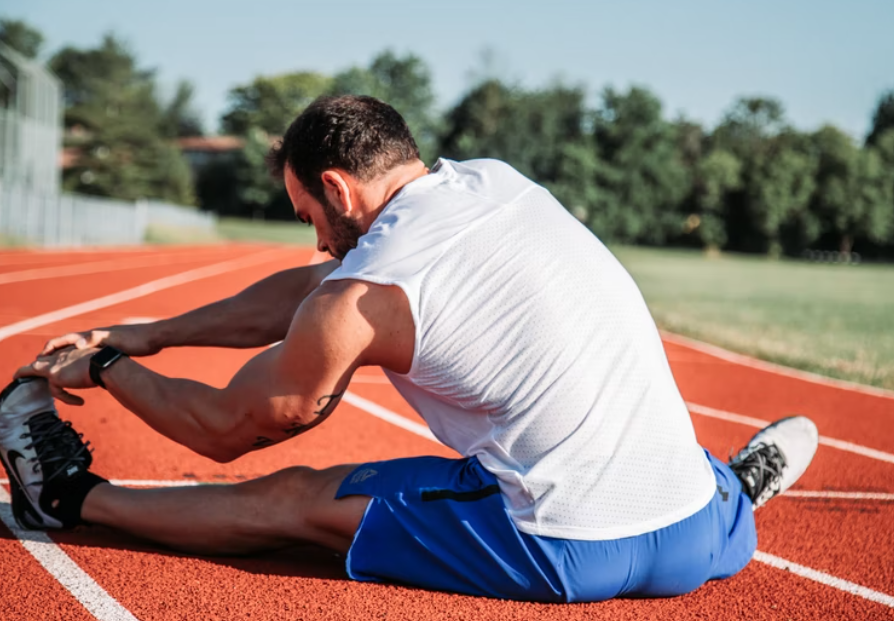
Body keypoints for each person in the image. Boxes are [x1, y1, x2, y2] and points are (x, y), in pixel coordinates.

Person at [0, 95, 819, 602]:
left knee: (295, 498)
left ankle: (71, 499)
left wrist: (107, 366)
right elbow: (320, 289)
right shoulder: (494, 183)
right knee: (646, 439)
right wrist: (152, 332)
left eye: (307, 217)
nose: (315, 243)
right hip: (691, 536)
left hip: (563, 544)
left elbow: (226, 427)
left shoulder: (366, 292)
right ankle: (735, 490)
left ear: (337, 190)